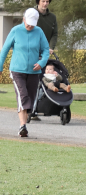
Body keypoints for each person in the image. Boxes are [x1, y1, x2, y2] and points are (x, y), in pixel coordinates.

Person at [0, 9, 50, 137]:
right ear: (23, 19)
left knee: (30, 98)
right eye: (28, 23)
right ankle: (23, 125)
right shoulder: (16, 30)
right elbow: (4, 50)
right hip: (17, 70)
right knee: (23, 95)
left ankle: (24, 124)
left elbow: (45, 50)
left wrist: (42, 62)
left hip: (34, 72)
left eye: (32, 24)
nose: (30, 26)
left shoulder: (39, 32)